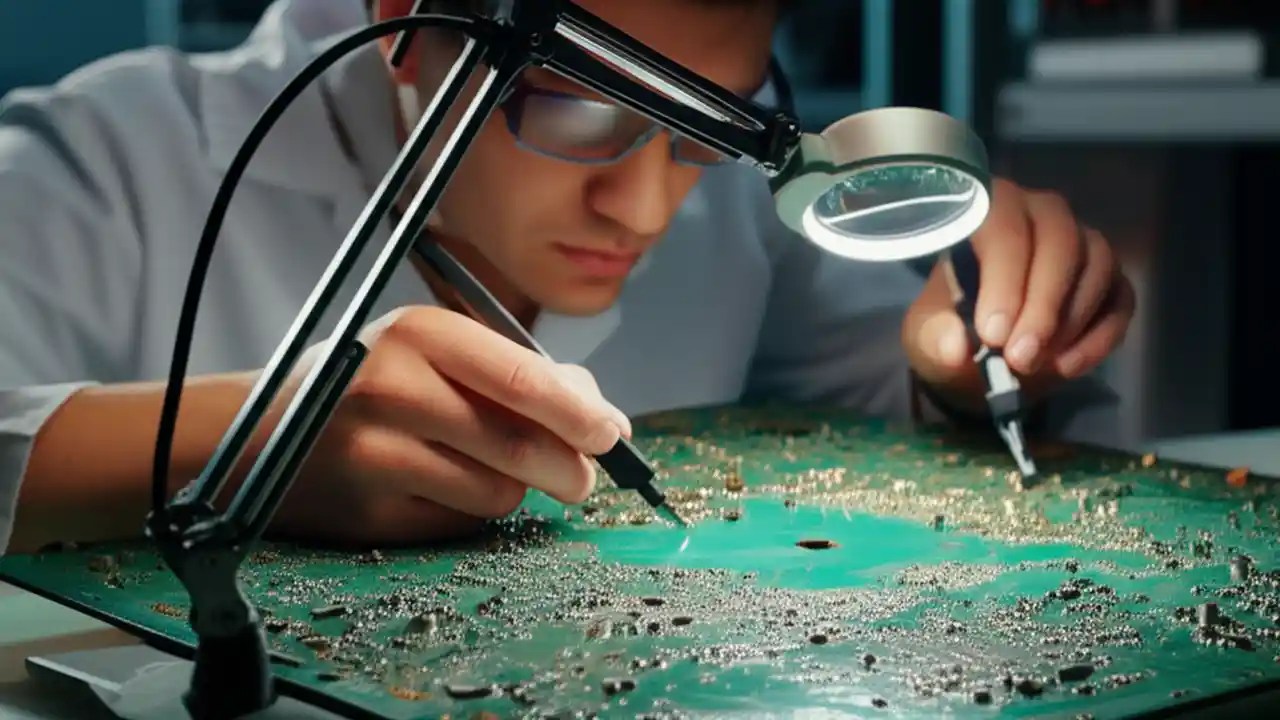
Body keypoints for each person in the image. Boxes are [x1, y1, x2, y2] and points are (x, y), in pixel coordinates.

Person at [0, 0, 1134, 554]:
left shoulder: (742, 199)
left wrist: (965, 355)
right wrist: (245, 445)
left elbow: (894, 397)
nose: (645, 206)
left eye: (702, 129)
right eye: (582, 109)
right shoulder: (103, 163)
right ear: (408, 19)